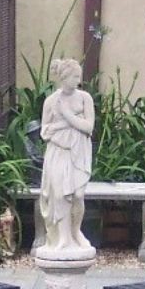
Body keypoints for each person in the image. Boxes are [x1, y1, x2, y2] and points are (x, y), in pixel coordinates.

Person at [38, 58, 95, 257]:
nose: (78, 81)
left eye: (79, 76)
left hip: (79, 152)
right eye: (74, 77)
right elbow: (44, 131)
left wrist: (66, 115)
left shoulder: (85, 98)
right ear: (63, 78)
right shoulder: (51, 101)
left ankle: (76, 231)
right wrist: (66, 124)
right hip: (58, 151)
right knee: (61, 195)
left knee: (78, 195)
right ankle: (63, 237)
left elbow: (88, 127)